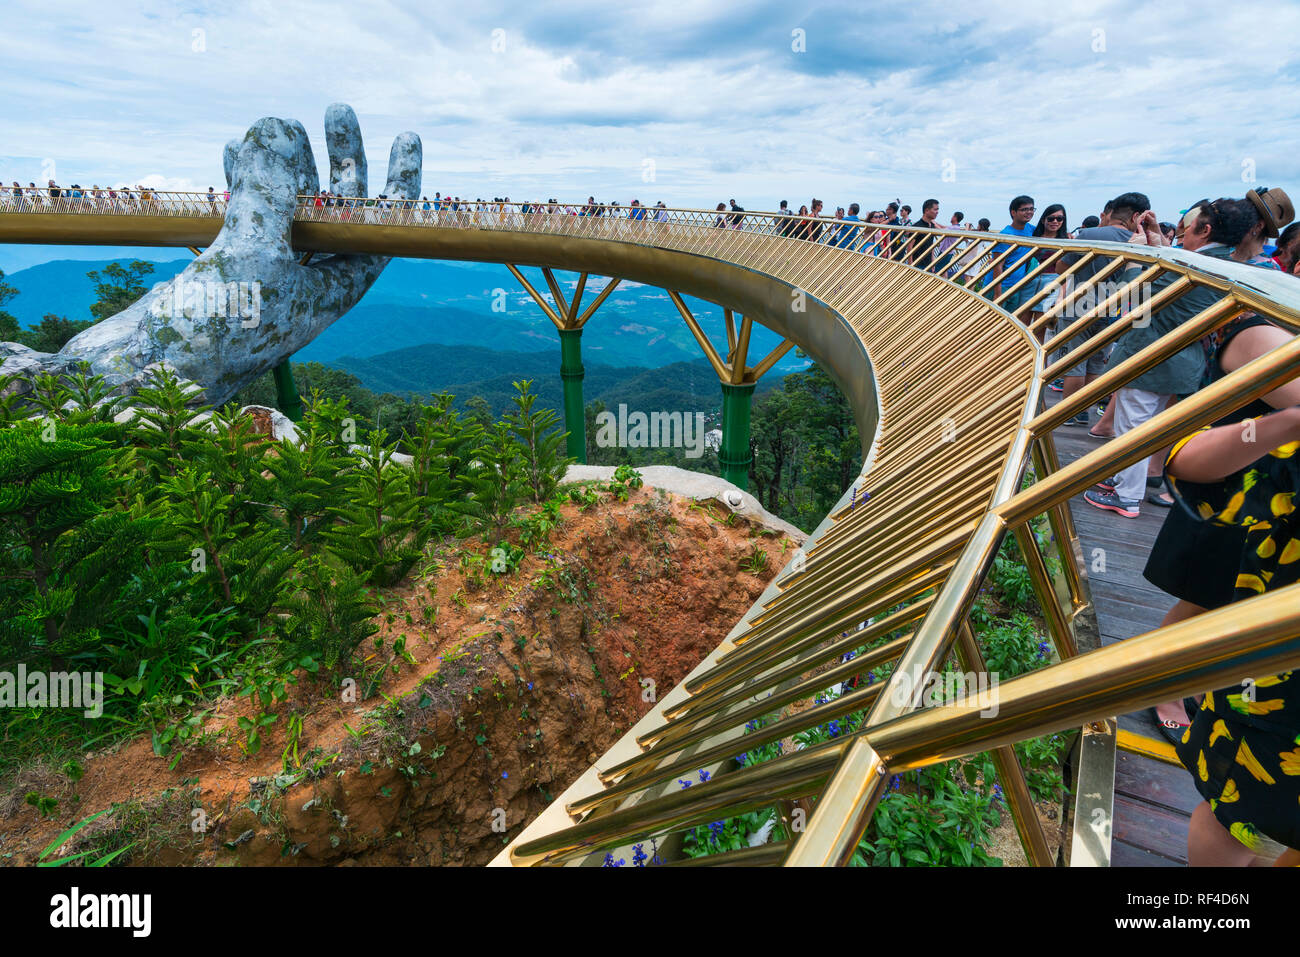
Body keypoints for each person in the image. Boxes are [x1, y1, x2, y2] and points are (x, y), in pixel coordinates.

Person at [1139, 314, 1300, 865]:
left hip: (1250, 554)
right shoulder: (1262, 324)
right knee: (1245, 813)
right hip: (1269, 638)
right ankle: (1162, 687)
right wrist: (1282, 426)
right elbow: (1187, 459)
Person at [1084, 194, 1280, 519]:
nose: (1181, 232)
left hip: (1151, 360)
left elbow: (1136, 295)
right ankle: (1122, 478)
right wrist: (1157, 242)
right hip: (1181, 362)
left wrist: (1136, 256)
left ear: (1204, 230)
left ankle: (1126, 497)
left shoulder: (1199, 264)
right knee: (1147, 425)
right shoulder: (1225, 262)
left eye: (1187, 226)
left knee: (1133, 428)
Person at [1056, 192, 1150, 427]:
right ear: (1137, 217)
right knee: (1097, 363)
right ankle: (1084, 411)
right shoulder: (1144, 243)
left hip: (1079, 305)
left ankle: (1067, 414)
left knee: (1074, 363)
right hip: (1115, 311)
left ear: (1111, 213)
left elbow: (1061, 268)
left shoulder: (1089, 234)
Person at [1024, 204, 1068, 340]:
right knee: (1020, 327)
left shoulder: (1066, 241)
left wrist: (1061, 296)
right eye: (1051, 218)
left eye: (1059, 218)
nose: (1055, 222)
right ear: (1043, 220)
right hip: (1029, 282)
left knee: (1039, 330)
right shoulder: (1032, 236)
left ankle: (1038, 361)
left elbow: (1066, 271)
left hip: (1051, 283)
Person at [990, 195, 1038, 308]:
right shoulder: (1006, 235)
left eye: (1031, 209)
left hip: (1017, 286)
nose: (1029, 212)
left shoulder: (1031, 229)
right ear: (1013, 212)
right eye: (1024, 209)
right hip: (1002, 286)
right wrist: (997, 294)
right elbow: (997, 265)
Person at [905, 198, 941, 269]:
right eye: (935, 209)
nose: (937, 212)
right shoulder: (917, 226)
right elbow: (909, 246)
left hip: (928, 264)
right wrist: (910, 266)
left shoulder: (932, 226)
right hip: (917, 264)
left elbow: (931, 245)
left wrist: (933, 262)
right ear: (926, 210)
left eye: (937, 209)